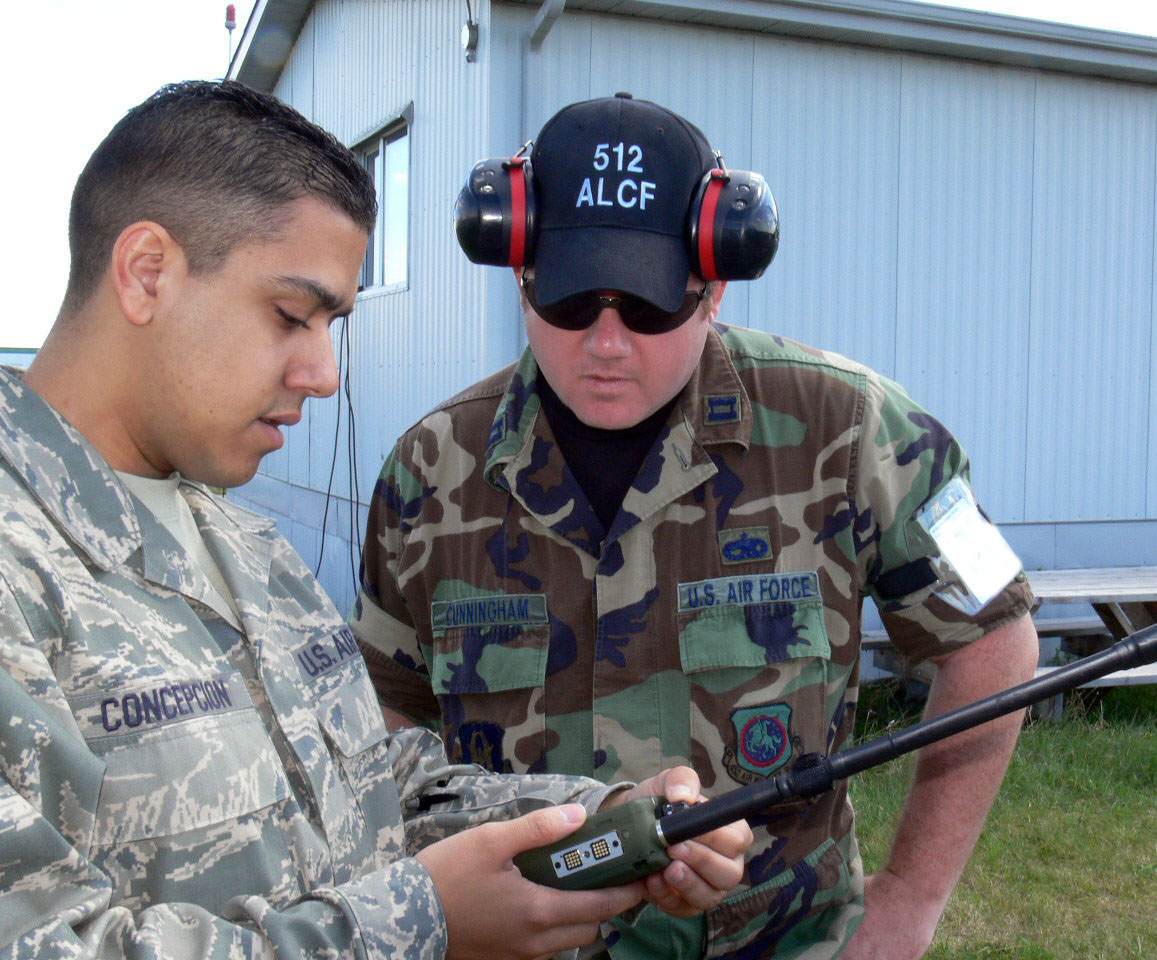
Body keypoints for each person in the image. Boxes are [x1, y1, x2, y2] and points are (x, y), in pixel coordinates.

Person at [0, 80, 752, 959]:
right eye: (290, 316)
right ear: (146, 273)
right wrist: (421, 921)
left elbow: (371, 786)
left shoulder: (245, 547)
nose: (323, 373)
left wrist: (600, 819)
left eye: (332, 326)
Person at [352, 93, 1041, 960]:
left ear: (712, 287)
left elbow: (994, 639)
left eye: (646, 309)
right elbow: (381, 722)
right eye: (570, 305)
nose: (605, 343)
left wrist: (910, 899)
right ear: (520, 276)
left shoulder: (854, 430)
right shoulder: (428, 472)